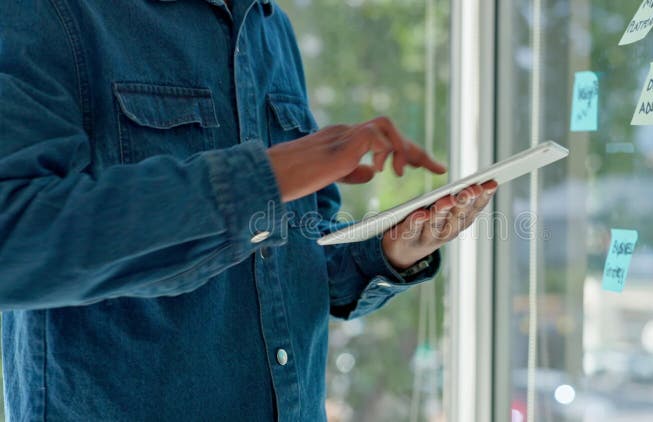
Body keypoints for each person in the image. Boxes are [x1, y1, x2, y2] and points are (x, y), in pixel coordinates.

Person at [0, 0, 497, 420]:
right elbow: (17, 239)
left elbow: (292, 262)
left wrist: (390, 251)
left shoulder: (269, 27)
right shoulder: (46, 12)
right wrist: (270, 174)